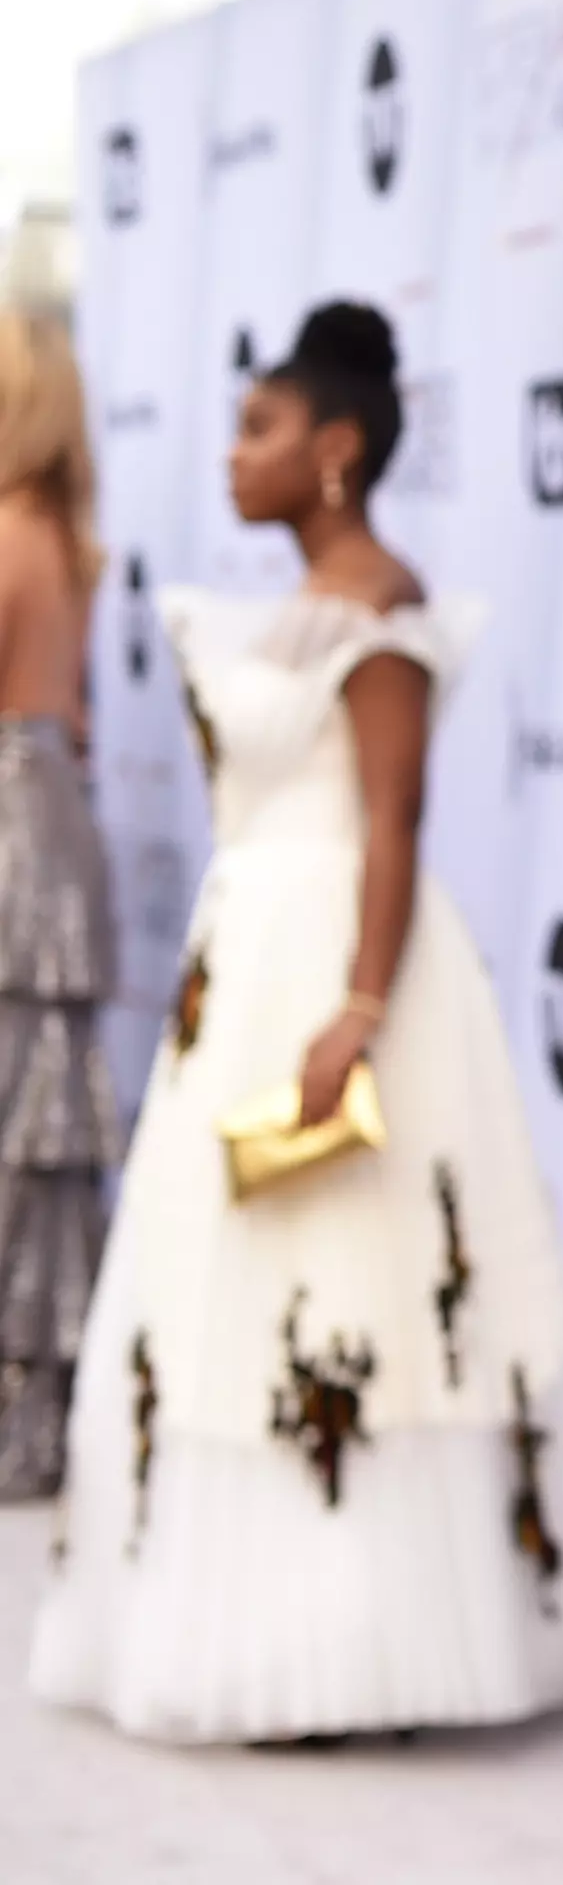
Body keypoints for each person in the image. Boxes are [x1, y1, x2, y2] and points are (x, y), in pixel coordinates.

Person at [29, 301, 563, 1741]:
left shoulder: (382, 610)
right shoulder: (296, 603)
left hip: (339, 976)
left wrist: (358, 1007)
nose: (235, 455)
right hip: (239, 975)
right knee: (229, 1289)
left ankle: (366, 1648)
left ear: (338, 450)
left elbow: (395, 817)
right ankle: (249, 1635)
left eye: (262, 428)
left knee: (348, 1298)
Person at [0, 310, 115, 1498]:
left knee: (18, 1119)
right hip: (45, 816)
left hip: (13, 835)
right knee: (32, 1118)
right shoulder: (61, 533)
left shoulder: (10, 532)